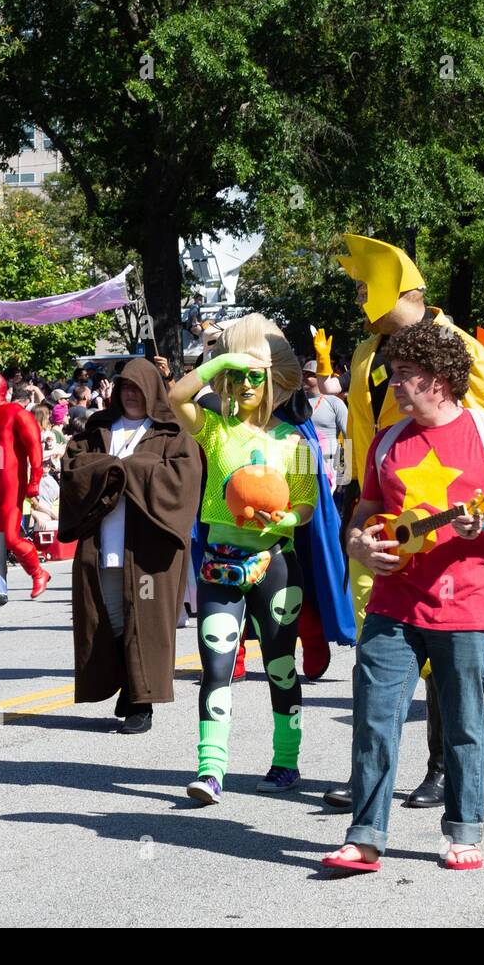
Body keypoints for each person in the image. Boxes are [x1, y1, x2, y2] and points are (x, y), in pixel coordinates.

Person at [322, 320, 484, 875]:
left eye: (405, 376)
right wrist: (359, 546)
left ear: (439, 380)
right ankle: (365, 837)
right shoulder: (387, 440)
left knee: (463, 720)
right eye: (393, 375)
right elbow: (365, 514)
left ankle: (463, 831)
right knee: (374, 718)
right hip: (393, 603)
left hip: (464, 603)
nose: (393, 386)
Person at [320, 233, 484, 811]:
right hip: (378, 511)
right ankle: (369, 773)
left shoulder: (460, 349)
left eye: (362, 288)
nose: (357, 300)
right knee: (378, 647)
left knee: (445, 653)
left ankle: (442, 769)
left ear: (396, 290)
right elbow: (358, 428)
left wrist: (482, 518)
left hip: (447, 520)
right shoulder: (363, 353)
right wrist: (353, 494)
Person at [168, 314, 317, 804]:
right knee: (216, 666)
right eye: (239, 375)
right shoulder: (214, 429)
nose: (246, 383)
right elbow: (175, 398)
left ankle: (287, 762)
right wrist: (223, 359)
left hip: (275, 563)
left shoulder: (295, 442)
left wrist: (278, 521)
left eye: (257, 375)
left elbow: (306, 506)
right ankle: (211, 771)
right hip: (219, 564)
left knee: (280, 667)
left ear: (274, 380)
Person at [60, 359, 203, 734]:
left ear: (153, 390)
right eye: (125, 388)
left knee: (147, 621)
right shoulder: (98, 429)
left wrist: (127, 469)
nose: (131, 395)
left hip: (148, 548)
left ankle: (143, 701)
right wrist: (113, 468)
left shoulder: (171, 433)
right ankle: (127, 685)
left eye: (138, 388)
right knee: (109, 617)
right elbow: (74, 467)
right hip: (102, 540)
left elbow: (183, 480)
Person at [0, 373, 50, 599]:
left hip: (12, 486)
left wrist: (35, 480)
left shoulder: (17, 414)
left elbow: (35, 447)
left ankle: (38, 573)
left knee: (11, 537)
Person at [303, 359, 348, 489]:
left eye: (309, 375)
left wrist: (346, 473)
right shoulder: (298, 404)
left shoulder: (334, 402)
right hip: (302, 460)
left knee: (327, 503)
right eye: (303, 374)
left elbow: (348, 437)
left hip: (328, 462)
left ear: (320, 377)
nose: (304, 378)